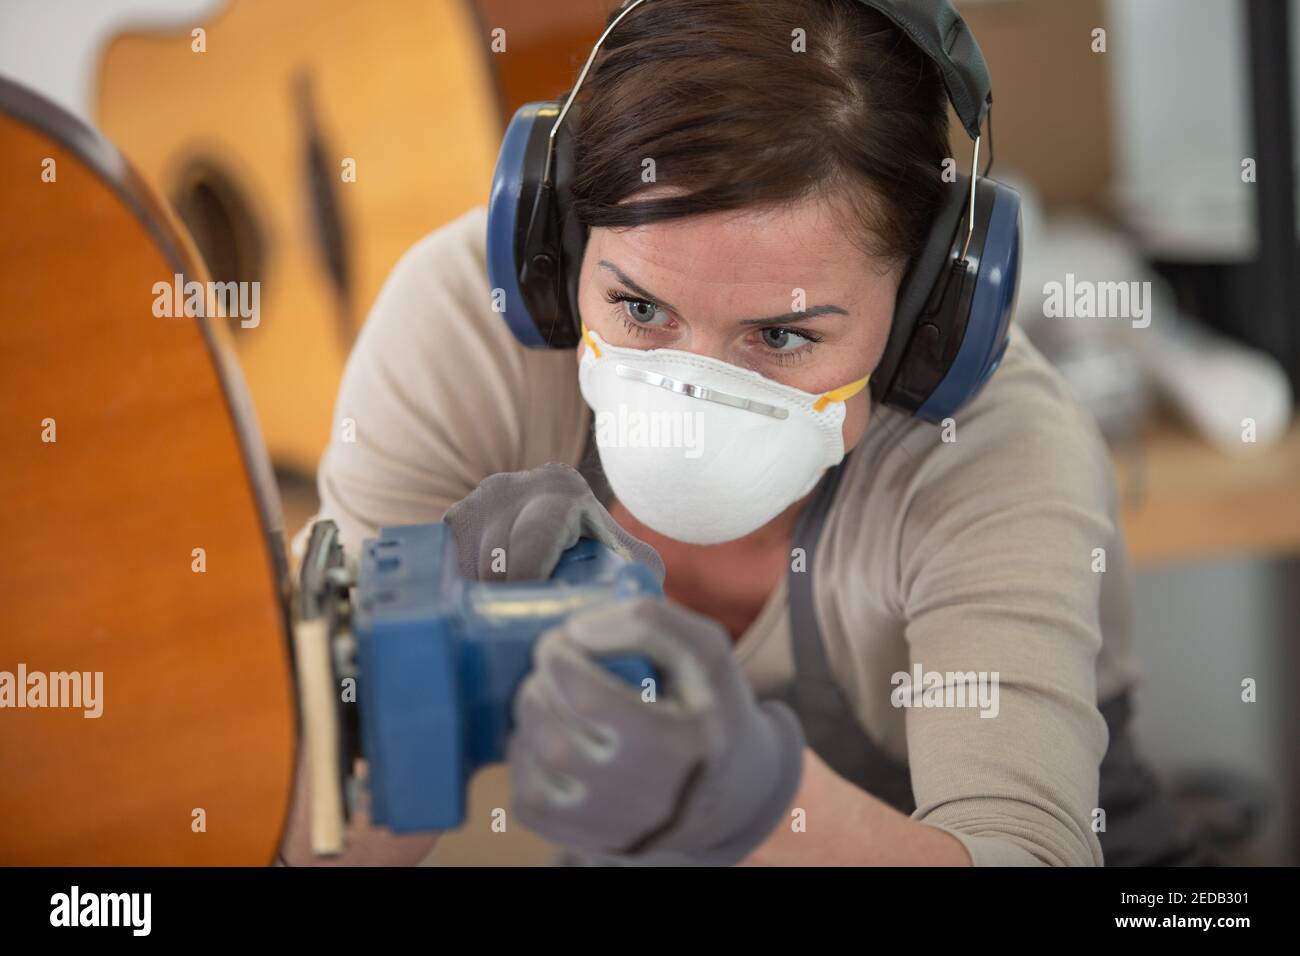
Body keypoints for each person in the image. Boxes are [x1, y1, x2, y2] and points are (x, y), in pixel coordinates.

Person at [282, 0, 1198, 866]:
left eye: (784, 333)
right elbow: (322, 842)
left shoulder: (997, 447)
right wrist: (414, 676)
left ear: (930, 317)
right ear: (559, 250)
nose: (695, 397)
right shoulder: (464, 332)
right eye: (638, 306)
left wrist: (756, 804)